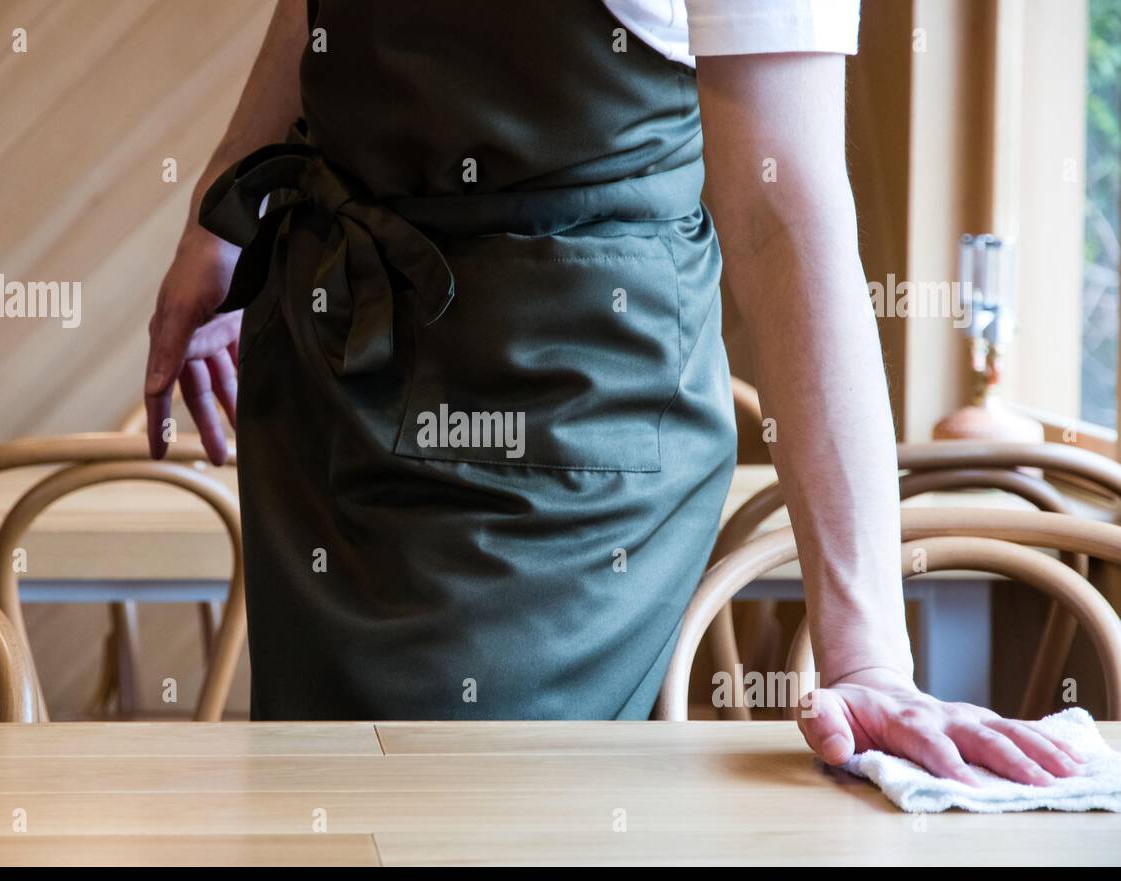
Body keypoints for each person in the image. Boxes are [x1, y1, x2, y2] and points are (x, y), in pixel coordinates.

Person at [143, 0, 1086, 785]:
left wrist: (868, 656)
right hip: (326, 367)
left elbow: (780, 212)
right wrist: (223, 214)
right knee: (321, 804)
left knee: (482, 811)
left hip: (557, 407)